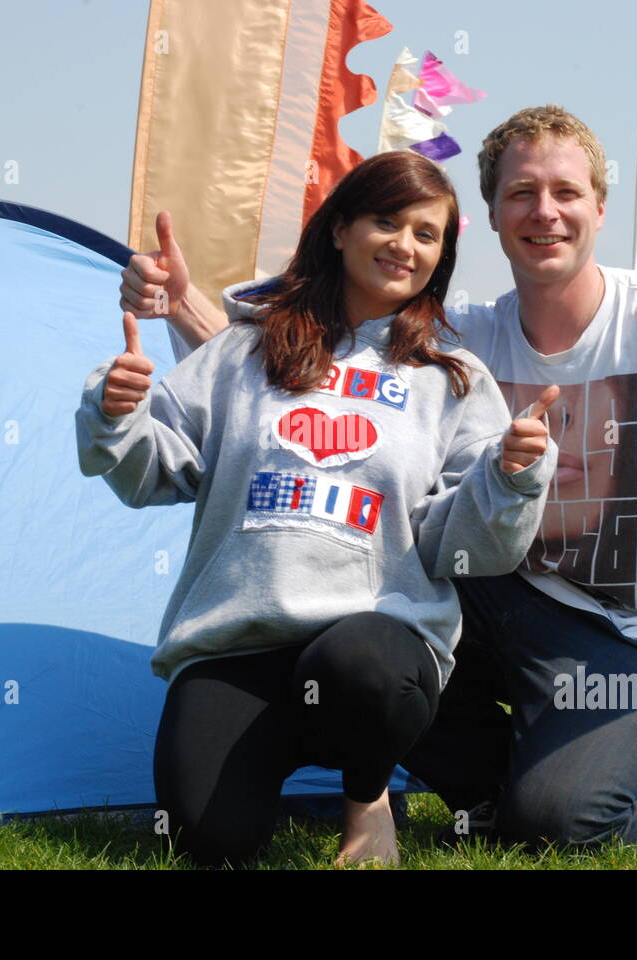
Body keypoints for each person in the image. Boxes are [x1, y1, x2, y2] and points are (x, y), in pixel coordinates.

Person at [119, 105, 637, 850]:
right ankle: (488, 785)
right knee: (373, 613)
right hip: (497, 595)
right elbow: (303, 380)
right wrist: (181, 304)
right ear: (493, 220)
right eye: (521, 194)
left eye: (566, 192)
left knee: (559, 821)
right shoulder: (459, 338)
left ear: (600, 205)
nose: (546, 212)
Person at [76, 150, 559, 866]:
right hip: (238, 646)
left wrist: (512, 477)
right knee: (208, 841)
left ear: (442, 257)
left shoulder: (451, 381)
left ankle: (369, 800)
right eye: (386, 221)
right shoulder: (243, 351)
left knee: (365, 660)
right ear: (338, 228)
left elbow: (472, 548)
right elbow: (152, 472)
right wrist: (116, 412)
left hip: (371, 655)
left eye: (427, 235)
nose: (404, 244)